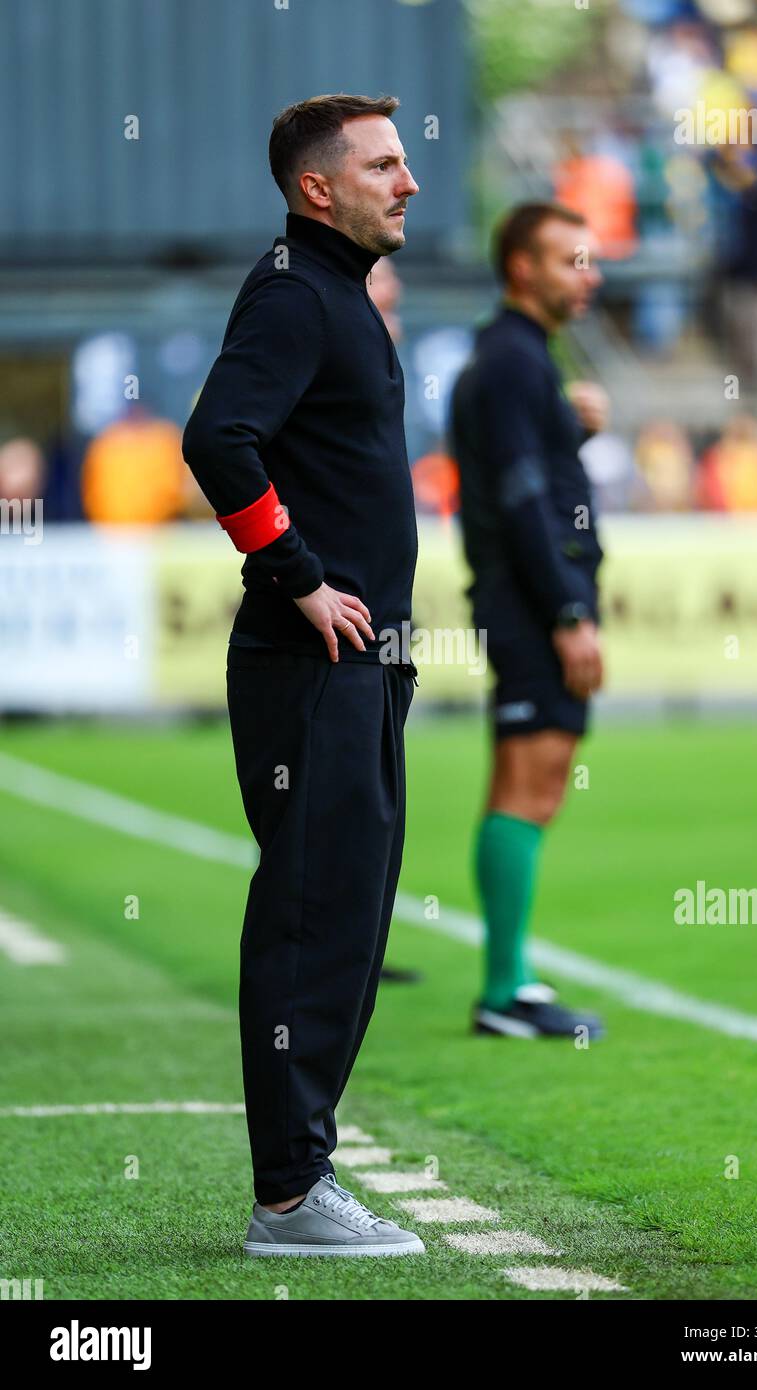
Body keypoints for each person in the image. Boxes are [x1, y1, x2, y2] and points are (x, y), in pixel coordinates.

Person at [182, 93, 425, 1257]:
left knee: (342, 921)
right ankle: (288, 1196)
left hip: (355, 669)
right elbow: (215, 437)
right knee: (309, 919)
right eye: (384, 164)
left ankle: (301, 1171)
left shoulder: (329, 289)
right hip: (310, 662)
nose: (408, 181)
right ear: (316, 186)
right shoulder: (294, 291)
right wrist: (296, 575)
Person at [449, 202, 607, 1040]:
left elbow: (530, 471)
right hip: (529, 605)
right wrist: (569, 611)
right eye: (571, 260)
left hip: (524, 600)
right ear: (522, 268)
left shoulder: (516, 361)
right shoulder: (513, 362)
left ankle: (507, 980)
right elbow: (520, 498)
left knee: (530, 783)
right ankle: (504, 989)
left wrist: (566, 429)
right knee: (530, 782)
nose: (590, 275)